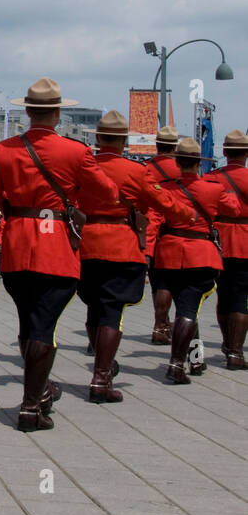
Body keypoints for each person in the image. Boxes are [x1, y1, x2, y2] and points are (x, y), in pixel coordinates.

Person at [0, 78, 117, 431]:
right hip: (56, 245)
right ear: (57, 113)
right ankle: (31, 405)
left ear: (28, 112)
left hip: (16, 244)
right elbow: (107, 194)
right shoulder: (76, 152)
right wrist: (72, 201)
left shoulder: (2, 151)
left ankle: (40, 393)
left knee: (30, 322)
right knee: (43, 325)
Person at [77, 111, 192, 401]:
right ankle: (101, 378)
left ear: (98, 138)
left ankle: (102, 362)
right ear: (122, 140)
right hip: (120, 245)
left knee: (94, 304)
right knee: (112, 311)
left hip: (86, 242)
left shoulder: (82, 167)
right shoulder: (136, 171)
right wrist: (187, 214)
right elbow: (163, 202)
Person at [152, 137, 238, 383]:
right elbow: (232, 208)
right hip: (200, 253)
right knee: (189, 310)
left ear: (178, 162)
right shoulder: (213, 188)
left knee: (188, 311)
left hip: (169, 252)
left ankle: (196, 359)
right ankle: (177, 365)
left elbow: (155, 215)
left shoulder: (167, 188)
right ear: (199, 162)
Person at [207, 129, 248, 369]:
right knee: (241, 298)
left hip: (218, 242)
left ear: (224, 152)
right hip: (244, 242)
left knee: (223, 296)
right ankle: (235, 353)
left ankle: (226, 342)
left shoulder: (212, 178)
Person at [145, 124, 181, 344]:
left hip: (150, 228)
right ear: (174, 147)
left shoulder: (146, 168)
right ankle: (164, 325)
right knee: (170, 281)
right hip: (173, 226)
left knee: (158, 280)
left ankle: (160, 323)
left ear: (157, 145)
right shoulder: (181, 168)